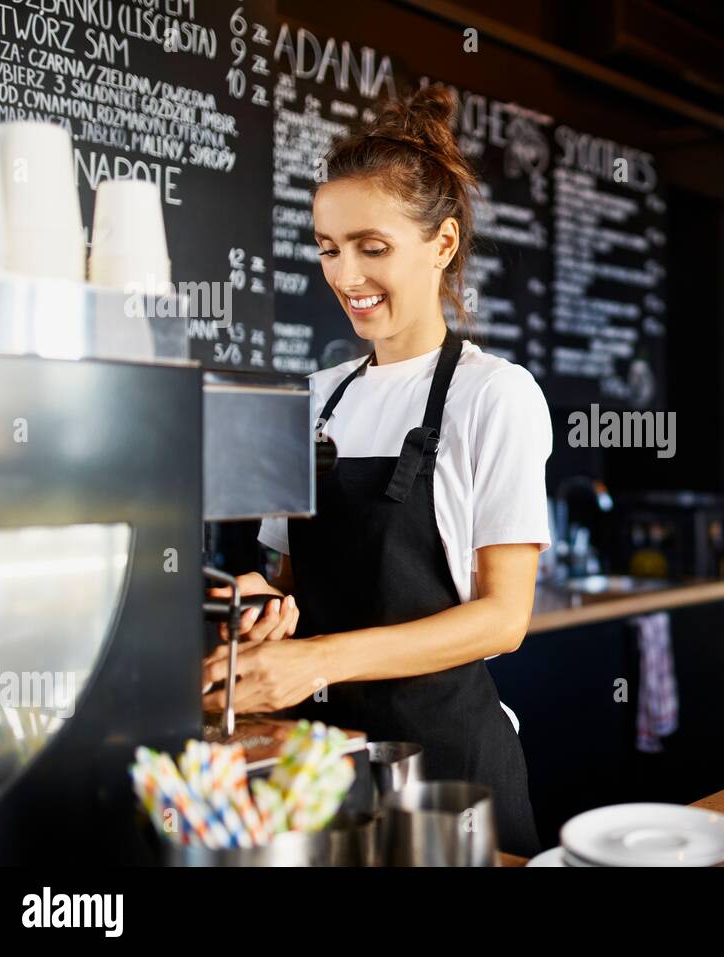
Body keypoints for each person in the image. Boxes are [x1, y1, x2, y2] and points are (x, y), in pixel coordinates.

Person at [202, 85, 550, 856]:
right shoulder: (315, 400)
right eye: (328, 247)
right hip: (318, 762)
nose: (345, 273)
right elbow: (292, 587)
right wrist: (266, 608)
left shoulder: (495, 394)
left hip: (450, 774)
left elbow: (505, 618)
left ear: (443, 243)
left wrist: (317, 658)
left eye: (372, 245)